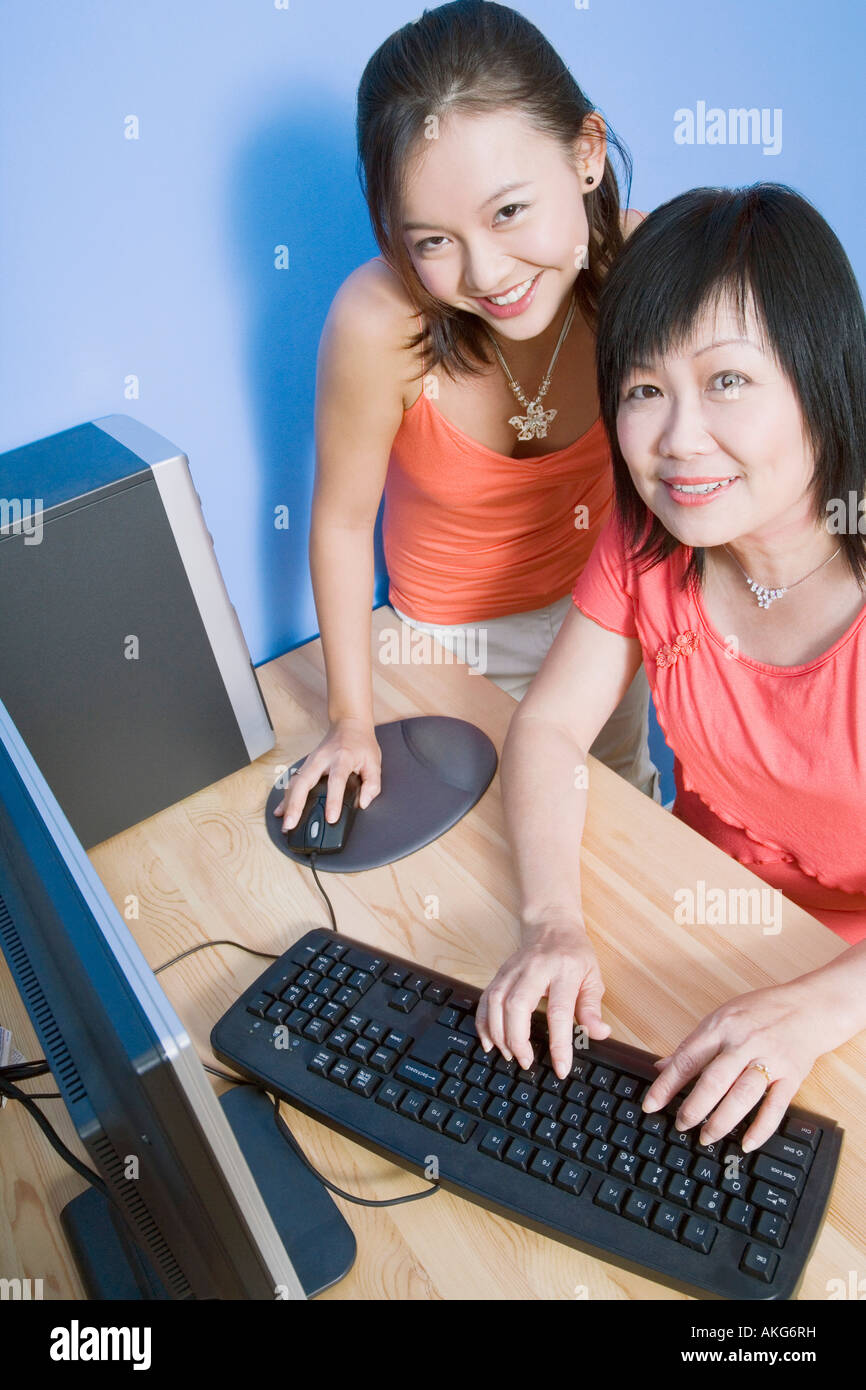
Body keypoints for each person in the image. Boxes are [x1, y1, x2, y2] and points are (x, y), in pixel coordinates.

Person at [476, 183, 866, 1153]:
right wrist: (550, 921)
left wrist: (816, 1007)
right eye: (644, 390)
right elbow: (549, 727)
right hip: (687, 900)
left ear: (823, 380)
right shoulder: (648, 540)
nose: (678, 440)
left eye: (727, 379)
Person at [275, 0, 660, 835]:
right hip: (451, 648)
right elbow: (343, 523)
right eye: (433, 241)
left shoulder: (648, 270)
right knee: (481, 854)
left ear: (586, 153)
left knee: (624, 826)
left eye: (509, 211)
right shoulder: (378, 323)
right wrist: (350, 719)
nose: (486, 273)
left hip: (605, 620)